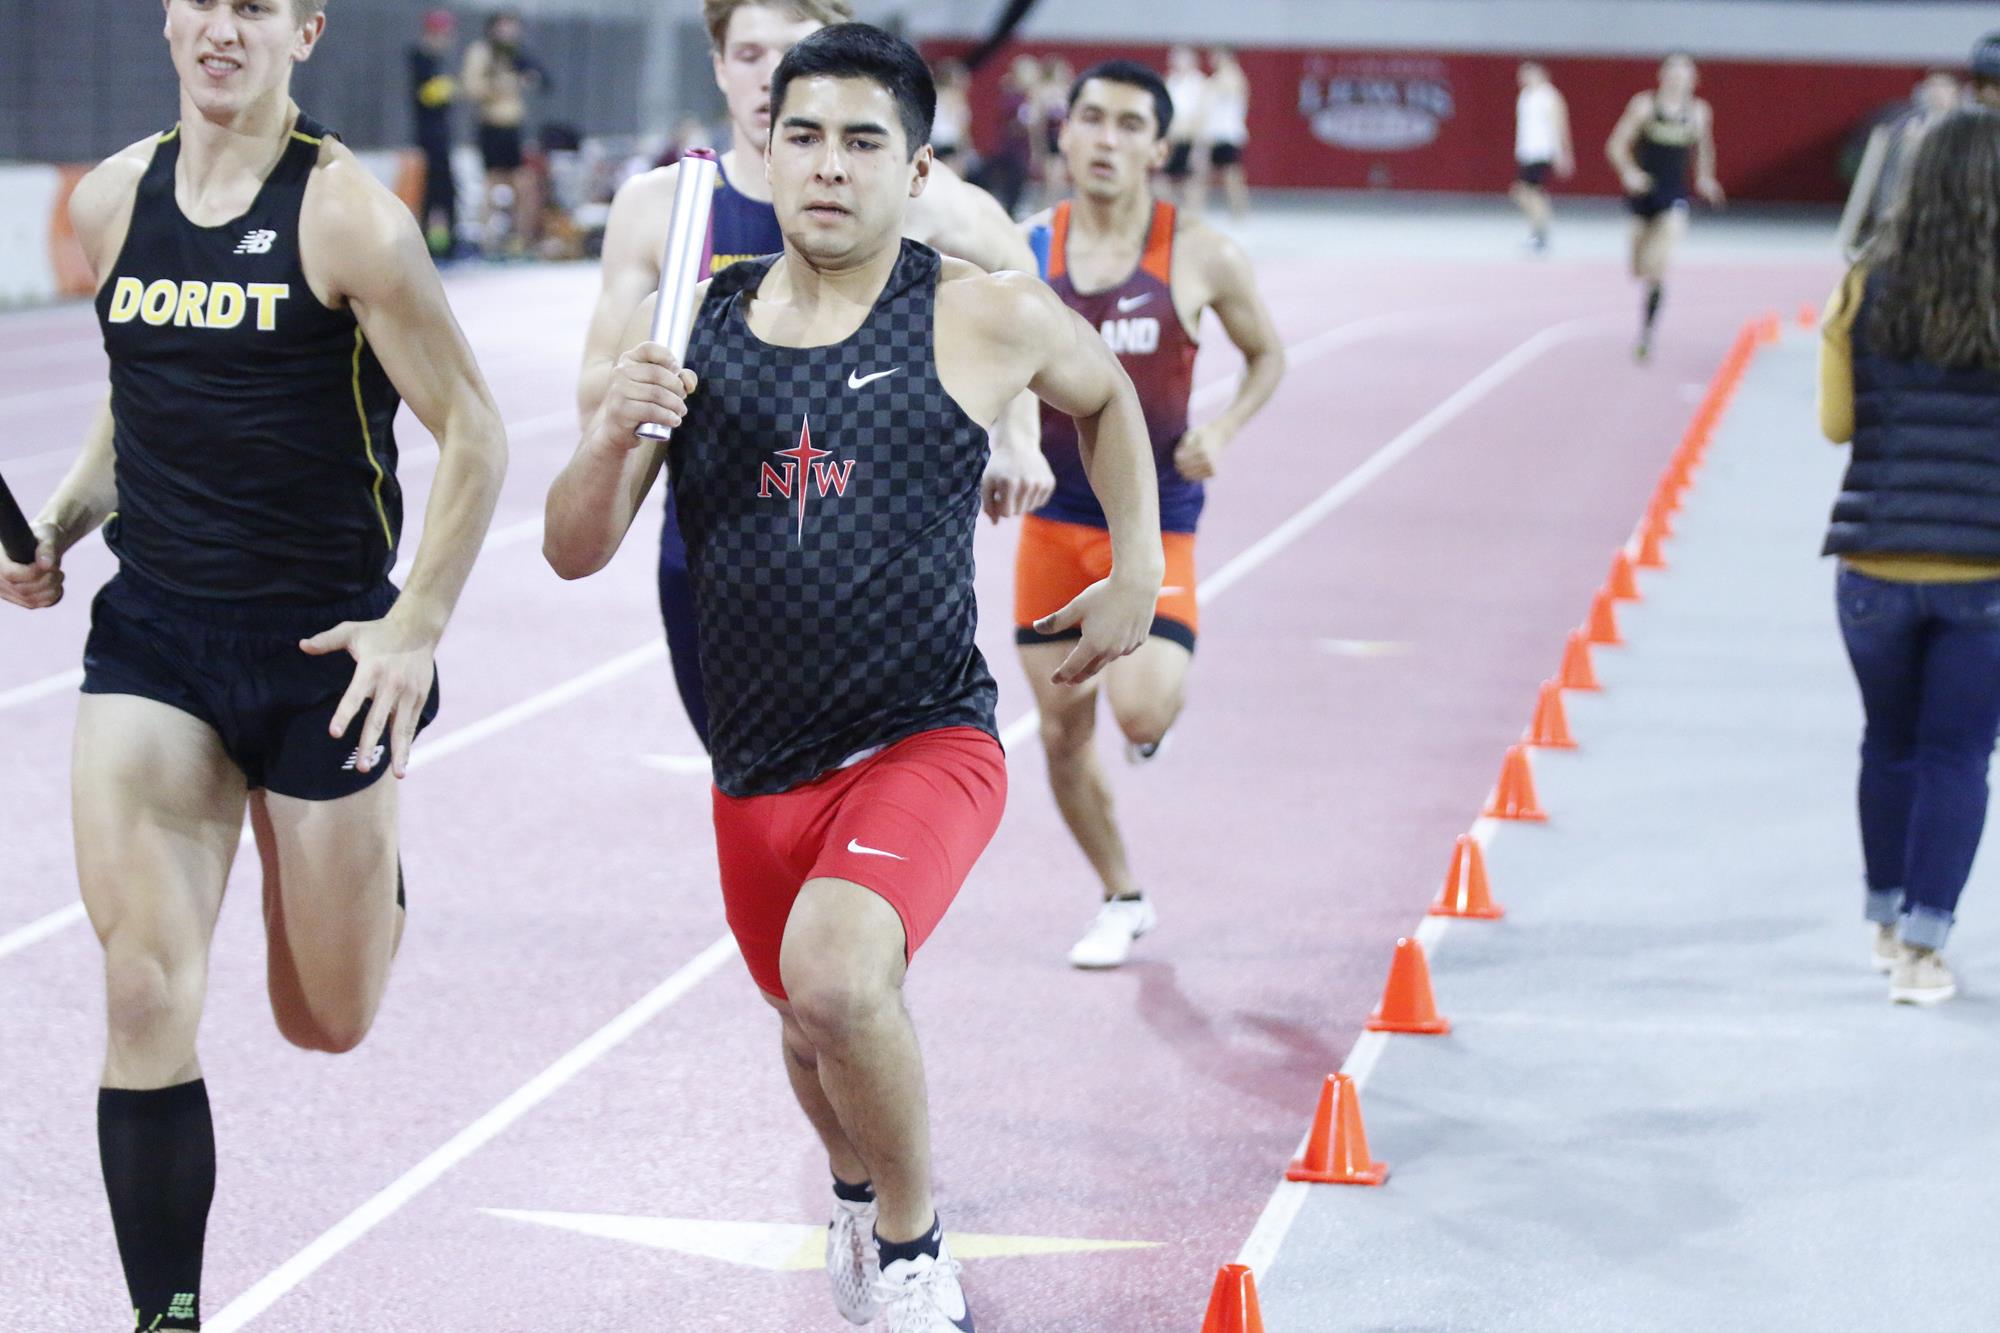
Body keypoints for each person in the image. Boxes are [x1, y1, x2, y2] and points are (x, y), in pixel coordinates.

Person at [544, 24, 1162, 1329]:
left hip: (923, 739)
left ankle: (916, 1244)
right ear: (765, 149)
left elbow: (1107, 402)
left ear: (913, 165)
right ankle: (848, 1190)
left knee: (835, 974)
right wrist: (609, 429)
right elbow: (573, 548)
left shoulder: (978, 309)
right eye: (802, 136)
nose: (827, 167)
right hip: (755, 763)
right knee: (806, 1022)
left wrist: (1136, 570)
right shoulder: (695, 331)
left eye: (862, 142)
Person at [0, 1, 508, 1327]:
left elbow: (473, 432)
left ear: (305, 28)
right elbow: (140, 394)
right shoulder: (113, 201)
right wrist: (60, 519)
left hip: (322, 654)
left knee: (323, 1017)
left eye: (254, 6)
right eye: (202, 1)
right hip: (155, 642)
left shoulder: (349, 218)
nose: (221, 27)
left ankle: (362, 865)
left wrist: (416, 626)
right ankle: (166, 1314)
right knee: (140, 981)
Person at [575, 0, 1051, 753]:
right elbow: (594, 387)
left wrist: (1019, 435)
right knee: (754, 784)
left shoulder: (918, 198)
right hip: (715, 551)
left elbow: (1021, 280)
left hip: (876, 558)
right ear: (720, 67)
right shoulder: (661, 208)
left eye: (791, 53)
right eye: (751, 54)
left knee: (879, 792)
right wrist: (635, 402)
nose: (770, 77)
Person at [1018, 60, 1285, 969]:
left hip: (1153, 525)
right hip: (1052, 522)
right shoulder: (1027, 253)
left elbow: (1267, 357)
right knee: (1060, 731)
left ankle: (1149, 728)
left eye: (1130, 125)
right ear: (1065, 131)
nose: (1105, 139)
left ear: (1158, 148)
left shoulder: (1202, 254)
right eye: (1091, 119)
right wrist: (1007, 441)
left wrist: (1226, 426)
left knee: (1137, 713)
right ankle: (1121, 893)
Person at [1818, 106, 2000, 1007]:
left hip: (1875, 564)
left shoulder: (1863, 285)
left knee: (1886, 743)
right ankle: (1926, 953)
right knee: (1957, 758)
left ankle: (1885, 925)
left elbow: (1836, 424)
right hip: (1986, 575)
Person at [1606, 53, 1724, 361]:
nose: (1678, 76)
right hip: (1643, 195)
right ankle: (1647, 279)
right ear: (1661, 74)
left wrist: (1705, 178)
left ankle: (1646, 334)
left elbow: (1704, 149)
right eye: (1672, 69)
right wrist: (1629, 172)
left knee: (1659, 265)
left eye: (1685, 70)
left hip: (1673, 196)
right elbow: (1616, 145)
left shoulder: (1698, 112)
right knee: (1638, 267)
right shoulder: (1644, 106)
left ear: (1694, 78)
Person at [1837, 71, 1959, 260]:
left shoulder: (1971, 128)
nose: (1937, 93)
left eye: (1943, 88)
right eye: (1933, 87)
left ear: (1956, 93)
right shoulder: (1903, 122)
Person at [461, 9, 546, 253]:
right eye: (504, 26)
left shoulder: (516, 54)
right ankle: (487, 242)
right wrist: (503, 84)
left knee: (524, 185)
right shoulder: (483, 52)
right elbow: (471, 87)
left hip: (513, 126)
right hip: (492, 125)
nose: (509, 32)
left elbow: (539, 78)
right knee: (492, 183)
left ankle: (519, 241)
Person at [408, 7, 459, 256]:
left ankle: (447, 241)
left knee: (447, 191)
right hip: (429, 138)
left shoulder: (437, 61)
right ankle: (432, 242)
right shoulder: (420, 58)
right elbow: (427, 95)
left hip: (440, 136)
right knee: (433, 191)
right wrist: (450, 87)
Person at [1510, 61, 1574, 254]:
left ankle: (1541, 232)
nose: (1523, 78)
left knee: (1528, 192)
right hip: (1527, 151)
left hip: (1542, 151)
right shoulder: (1526, 95)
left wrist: (1563, 153)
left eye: (1528, 74)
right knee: (1527, 193)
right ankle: (1538, 230)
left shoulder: (1549, 96)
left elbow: (1560, 125)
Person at [1192, 46, 1249, 219]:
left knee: (1231, 177)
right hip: (1215, 133)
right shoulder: (1217, 79)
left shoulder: (1232, 77)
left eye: (1216, 55)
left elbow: (1216, 94)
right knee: (1201, 176)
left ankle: (1239, 212)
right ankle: (1196, 212)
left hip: (1226, 134)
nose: (1212, 59)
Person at [1160, 45, 1207, 206]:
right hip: (1173, 137)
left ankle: (1194, 215)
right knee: (1166, 180)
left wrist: (1198, 142)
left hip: (1190, 136)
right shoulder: (1171, 80)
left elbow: (1202, 112)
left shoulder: (1198, 82)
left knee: (1191, 180)